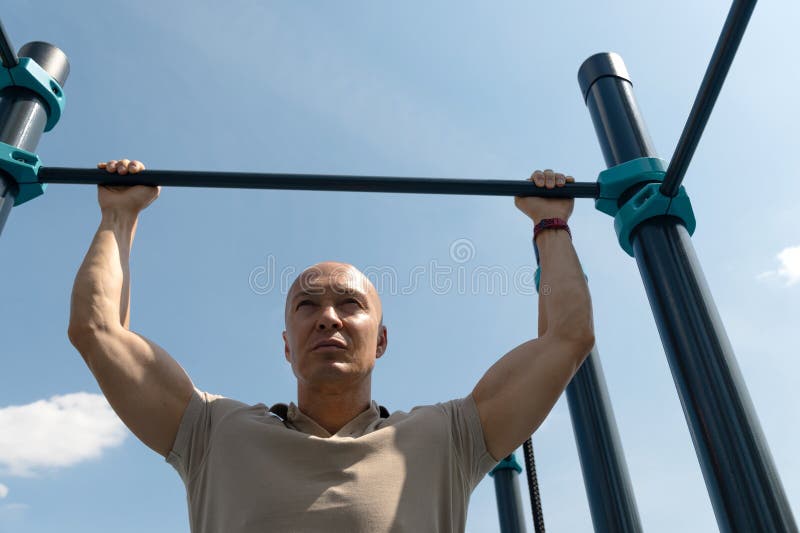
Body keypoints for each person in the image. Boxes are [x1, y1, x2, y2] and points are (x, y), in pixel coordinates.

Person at [68, 158, 595, 533]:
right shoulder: (213, 432)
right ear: (286, 346)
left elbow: (567, 338)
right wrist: (118, 215)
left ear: (381, 339)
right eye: (306, 306)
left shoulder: (446, 439)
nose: (327, 319)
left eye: (349, 304)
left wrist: (551, 226)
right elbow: (98, 331)